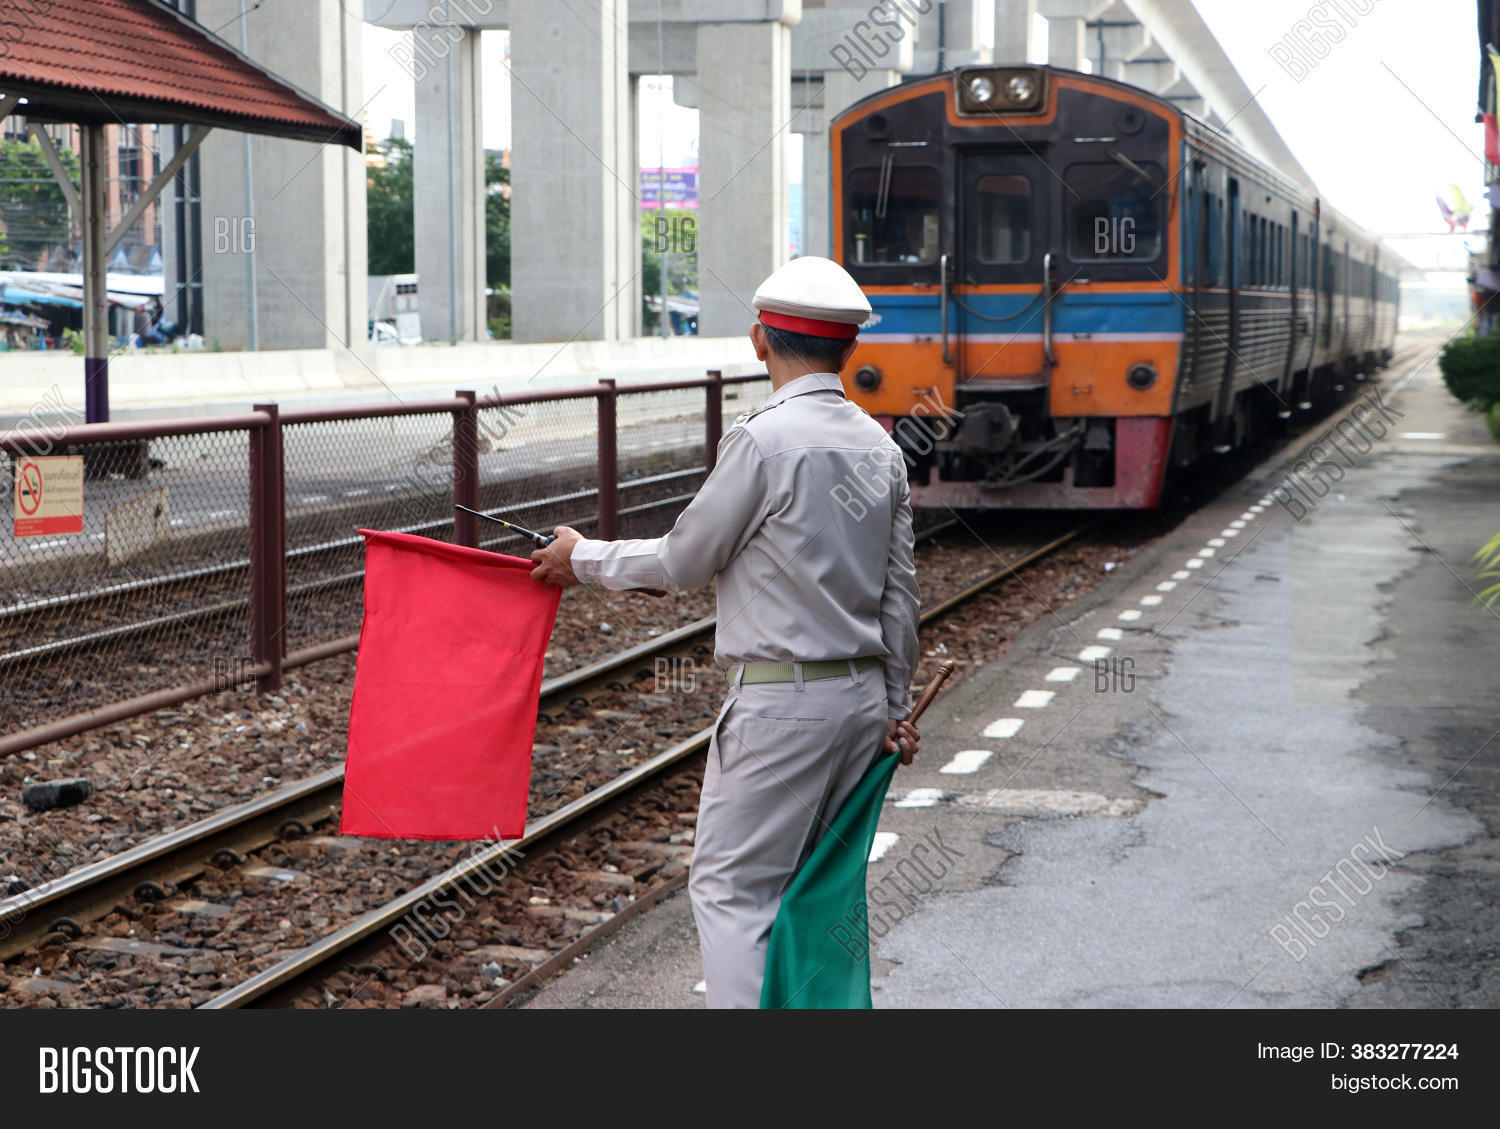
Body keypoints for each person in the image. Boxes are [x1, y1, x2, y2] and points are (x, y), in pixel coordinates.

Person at [530, 256, 921, 1008]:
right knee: (812, 891)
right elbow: (899, 596)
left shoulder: (762, 441)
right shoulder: (882, 449)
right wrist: (896, 708)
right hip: (861, 703)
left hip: (781, 709)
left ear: (758, 342)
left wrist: (582, 558)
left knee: (733, 889)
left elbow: (684, 558)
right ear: (850, 351)